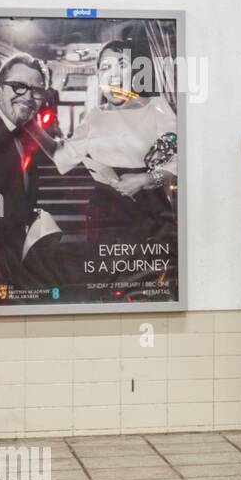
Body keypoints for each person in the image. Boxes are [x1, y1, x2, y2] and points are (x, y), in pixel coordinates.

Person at [50, 40, 178, 293]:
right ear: (99, 75)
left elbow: (179, 159)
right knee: (104, 282)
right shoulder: (95, 116)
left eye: (123, 64)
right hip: (104, 212)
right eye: (106, 67)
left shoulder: (157, 108)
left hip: (148, 210)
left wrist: (145, 180)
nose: (115, 74)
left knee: (147, 281)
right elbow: (62, 160)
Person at [0, 53, 64, 300]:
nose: (28, 96)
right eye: (18, 86)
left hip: (13, 260)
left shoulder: (24, 132)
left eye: (37, 91)